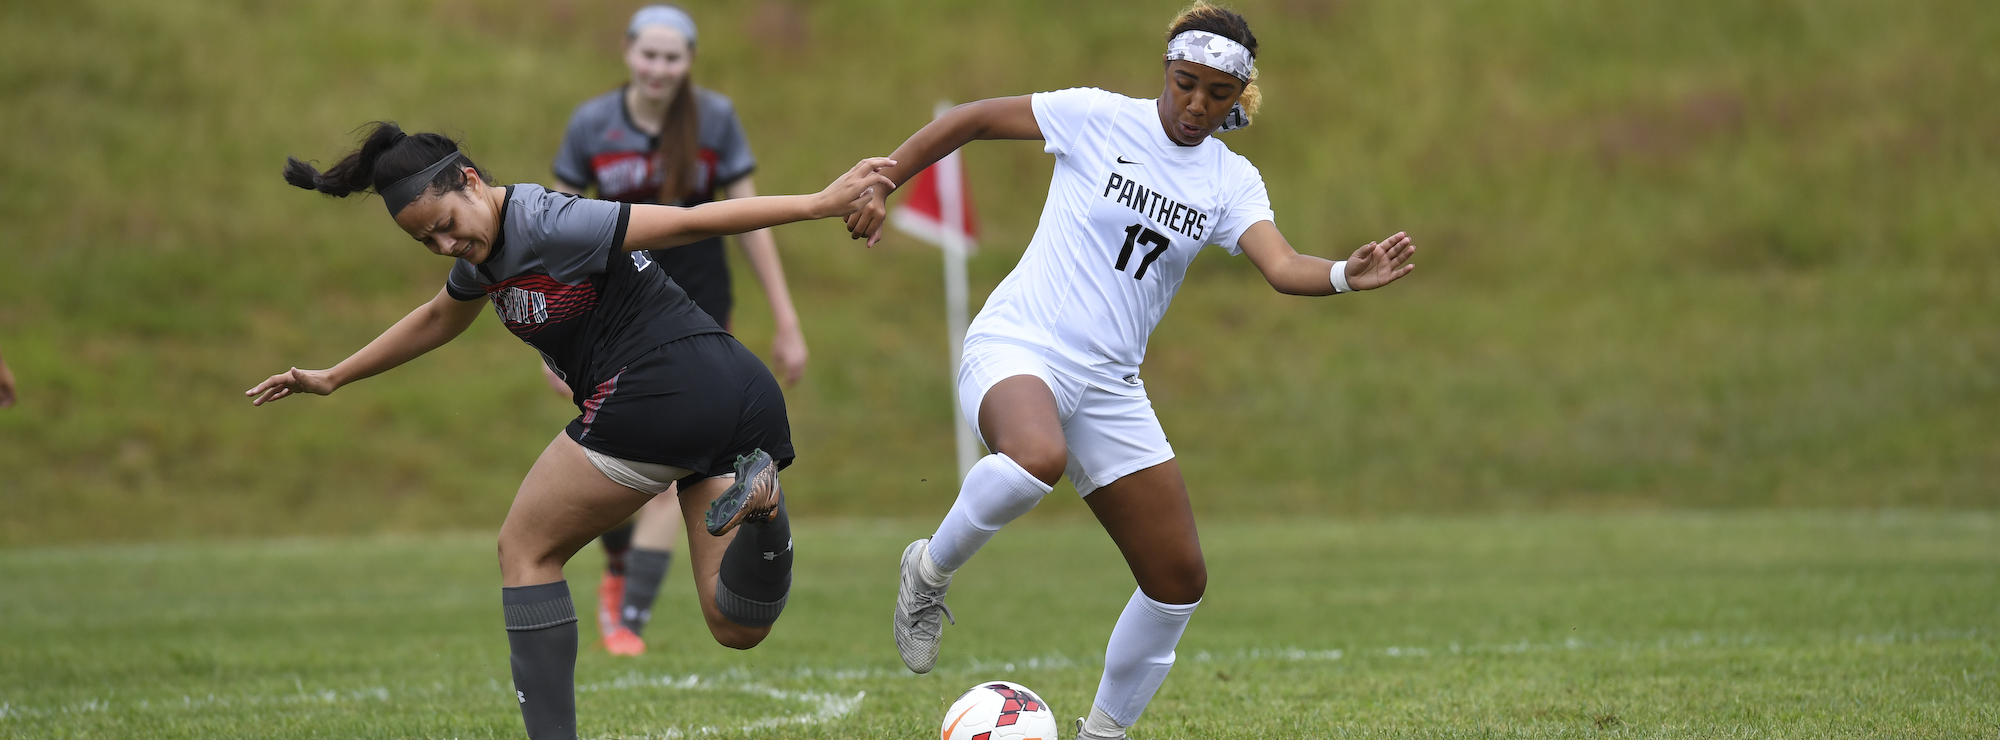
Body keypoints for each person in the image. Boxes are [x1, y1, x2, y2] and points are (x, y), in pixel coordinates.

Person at [844, 4, 1417, 739]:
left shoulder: (1230, 180)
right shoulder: (1098, 117)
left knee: (1178, 581)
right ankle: (928, 572)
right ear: (1166, 71)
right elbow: (973, 119)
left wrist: (1342, 274)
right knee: (1036, 457)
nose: (1197, 104)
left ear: (1238, 97)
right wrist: (885, 179)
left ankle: (1103, 734)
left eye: (1218, 93)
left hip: (1110, 385)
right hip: (1020, 345)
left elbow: (1281, 265)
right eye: (1186, 84)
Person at [248, 121, 891, 740]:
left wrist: (817, 204)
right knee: (736, 624)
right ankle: (765, 508)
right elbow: (438, 317)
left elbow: (689, 221)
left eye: (444, 225)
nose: (444, 245)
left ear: (470, 180)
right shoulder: (482, 257)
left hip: (659, 388)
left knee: (525, 549)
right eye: (426, 242)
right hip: (735, 391)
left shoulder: (550, 221)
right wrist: (334, 376)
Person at [547, 4, 809, 658]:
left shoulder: (714, 120)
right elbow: (552, 234)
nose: (659, 68)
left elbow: (750, 218)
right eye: (649, 54)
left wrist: (786, 317)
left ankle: (627, 620)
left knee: (672, 470)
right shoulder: (592, 125)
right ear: (628, 52)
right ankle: (619, 573)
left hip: (697, 315)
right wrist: (552, 342)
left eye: (672, 57)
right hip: (611, 319)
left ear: (689, 62)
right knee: (613, 461)